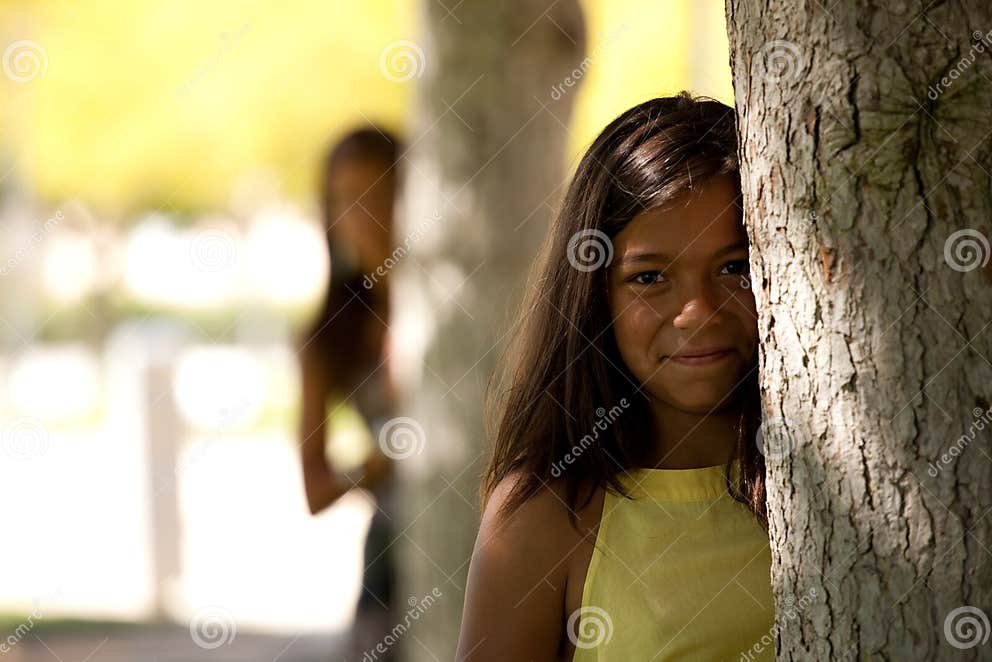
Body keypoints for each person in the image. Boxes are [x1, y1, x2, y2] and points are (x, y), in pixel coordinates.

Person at [456, 92, 774, 661]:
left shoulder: (836, 475)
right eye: (649, 277)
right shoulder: (547, 515)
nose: (698, 312)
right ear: (594, 298)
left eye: (735, 267)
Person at [297, 127, 402, 661]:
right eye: (346, 199)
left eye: (381, 195)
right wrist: (375, 465)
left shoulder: (455, 311)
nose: (363, 216)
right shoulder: (327, 337)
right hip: (394, 555)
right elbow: (315, 491)